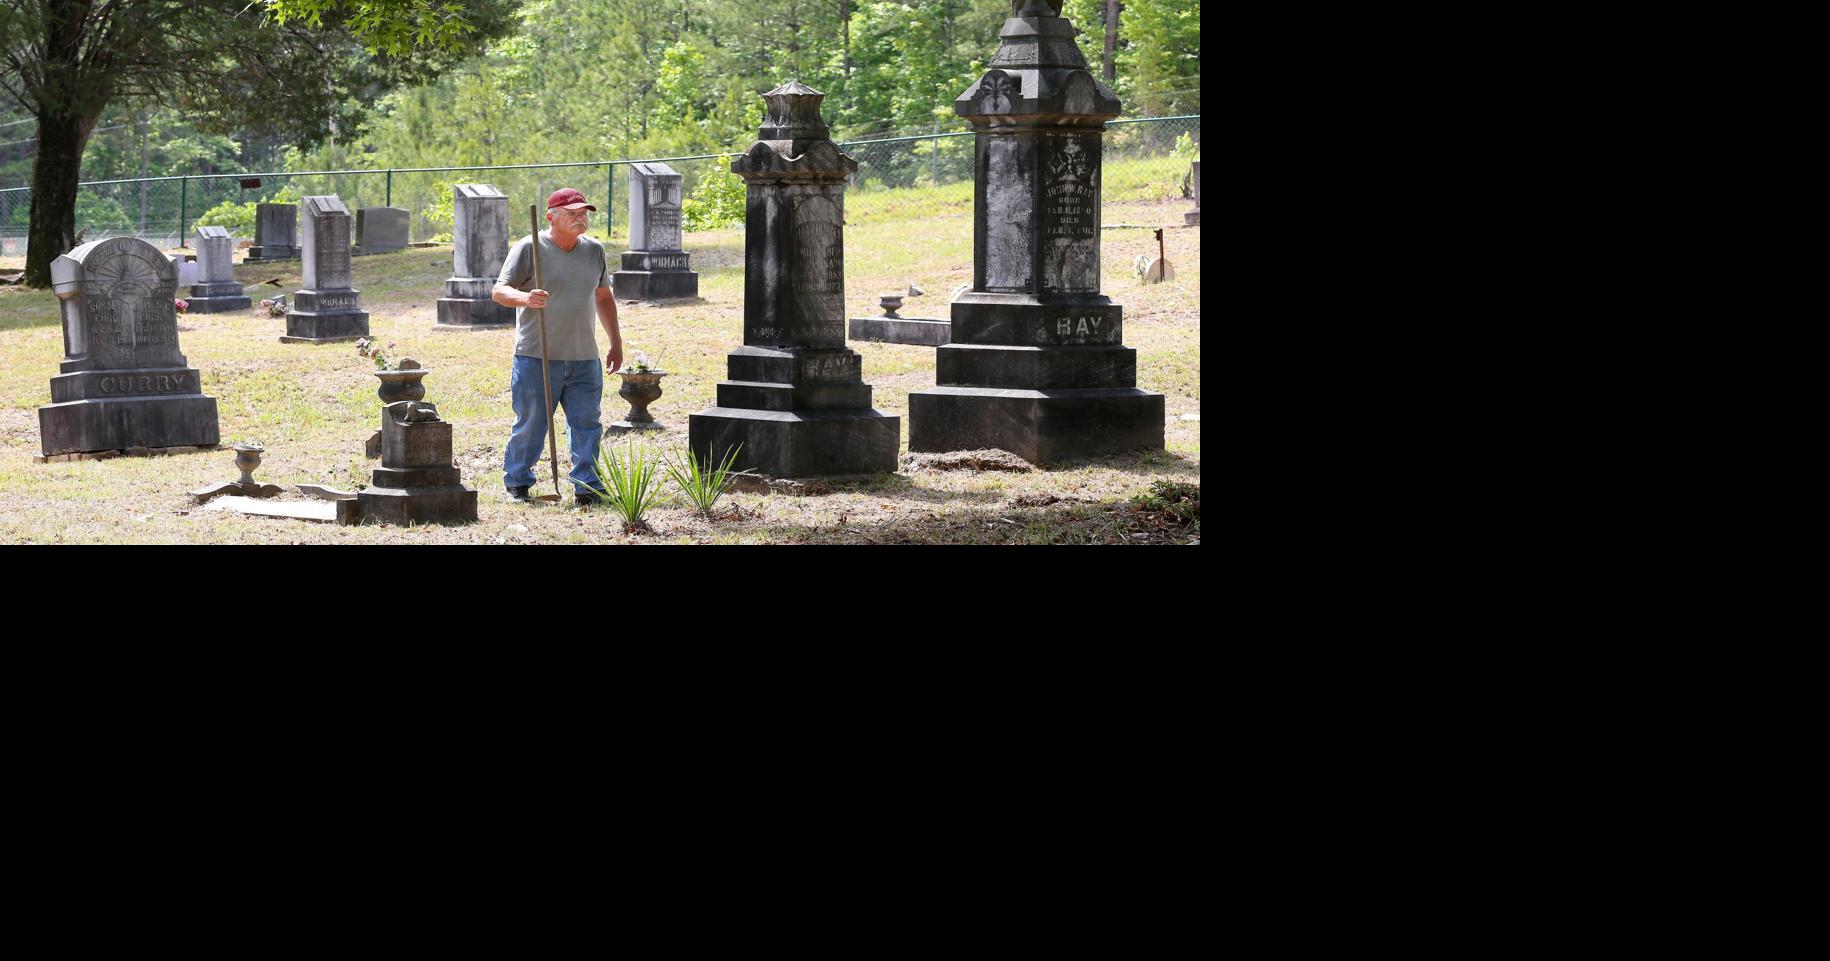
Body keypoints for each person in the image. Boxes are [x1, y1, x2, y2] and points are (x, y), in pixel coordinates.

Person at [493, 187, 624, 505]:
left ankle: (587, 485)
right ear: (551, 217)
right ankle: (518, 482)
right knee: (532, 422)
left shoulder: (594, 251)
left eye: (585, 213)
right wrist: (526, 298)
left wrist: (615, 343)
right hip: (538, 355)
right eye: (573, 213)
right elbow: (499, 291)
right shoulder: (530, 248)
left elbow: (603, 297)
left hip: (584, 356)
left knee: (587, 424)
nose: (581, 218)